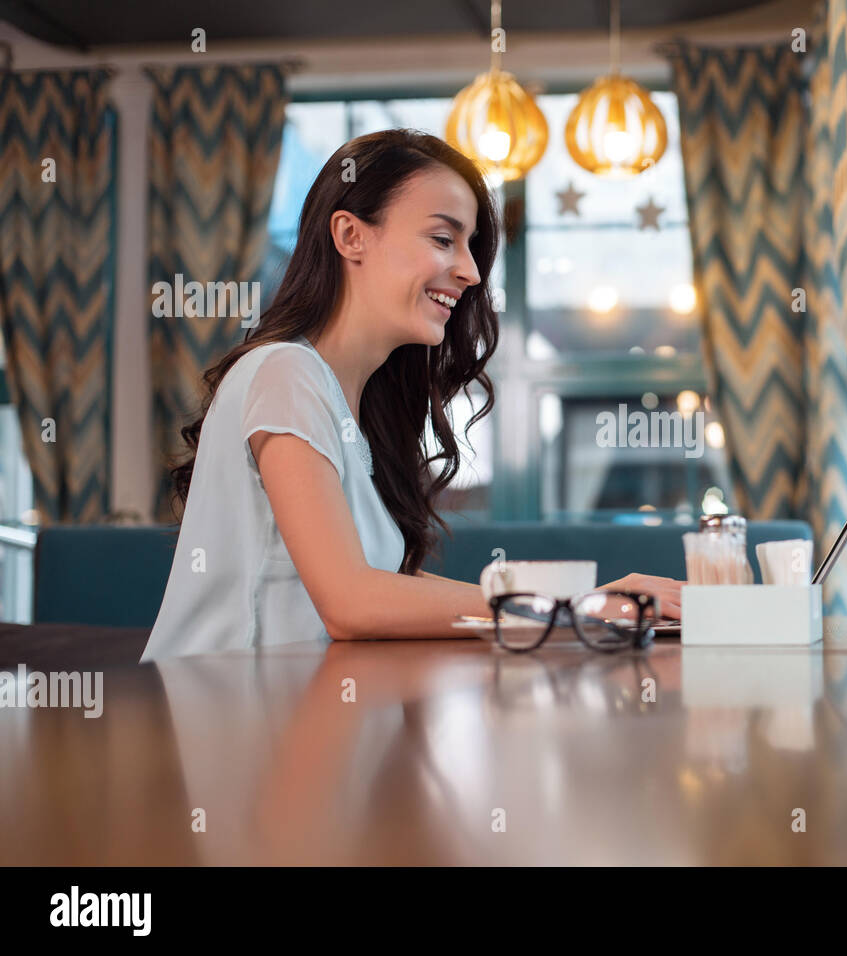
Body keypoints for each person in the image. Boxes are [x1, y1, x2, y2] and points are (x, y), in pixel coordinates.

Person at [141, 129, 681, 662]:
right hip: (227, 728)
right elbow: (352, 602)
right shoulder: (284, 373)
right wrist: (579, 608)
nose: (470, 271)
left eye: (470, 246)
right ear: (351, 236)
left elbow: (383, 588)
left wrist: (575, 608)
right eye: (443, 239)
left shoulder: (351, 402)